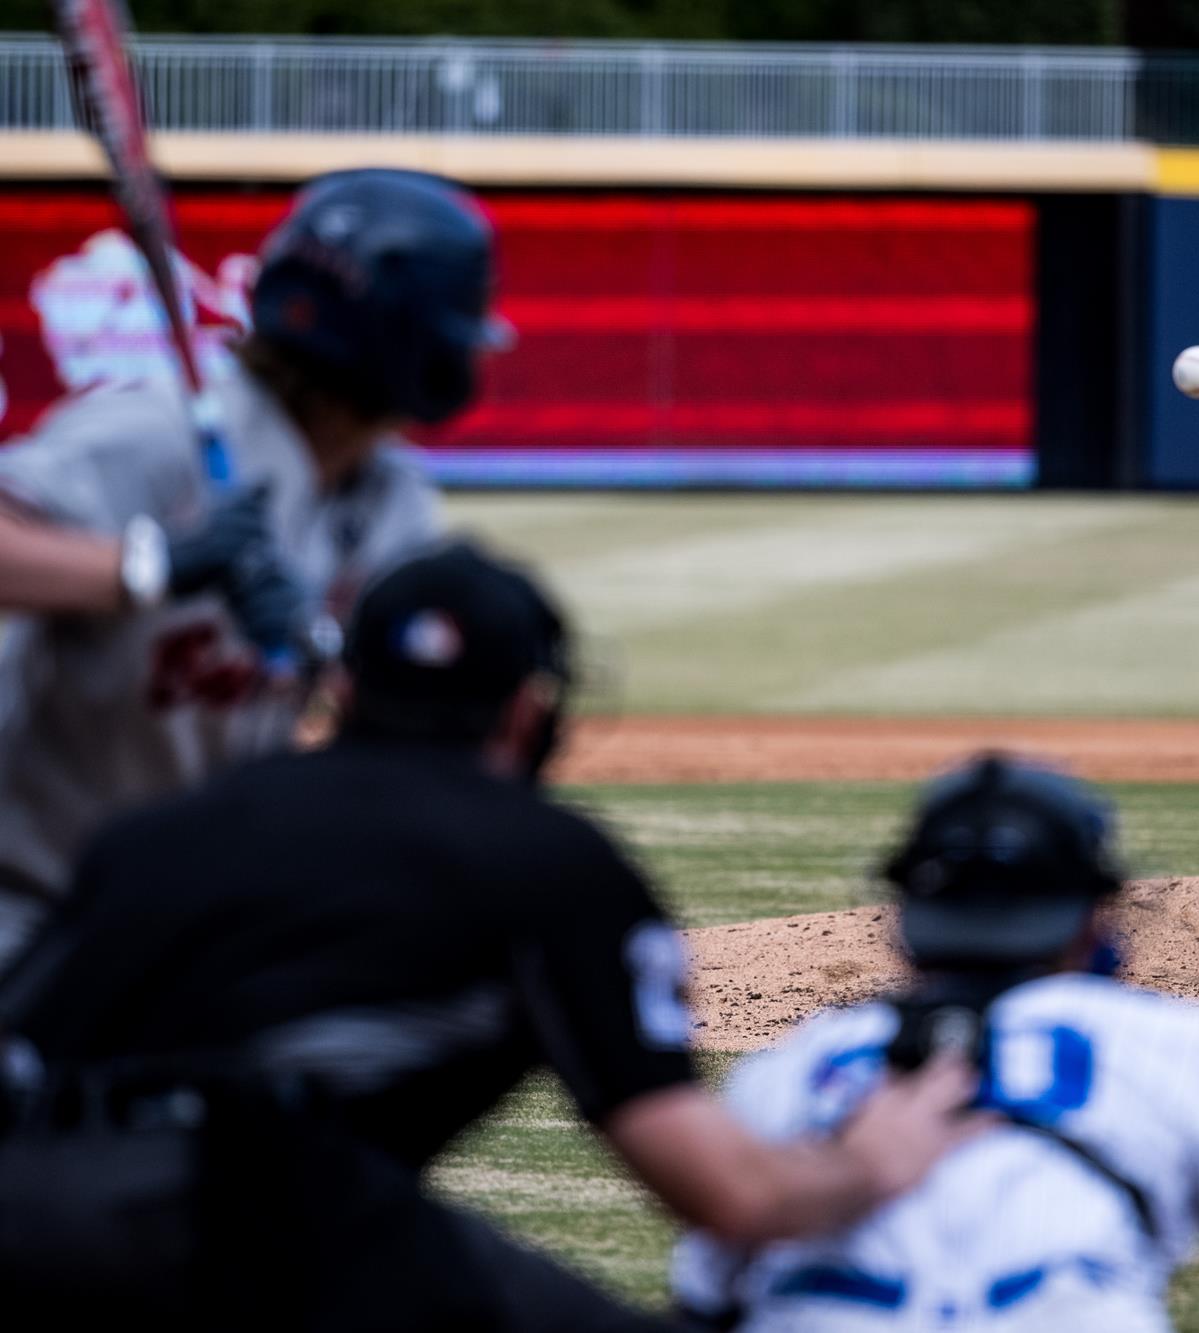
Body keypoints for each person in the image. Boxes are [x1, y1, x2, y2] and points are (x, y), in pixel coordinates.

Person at [0, 544, 982, 1330]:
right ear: (528, 708)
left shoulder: (155, 830)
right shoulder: (546, 858)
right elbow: (729, 1195)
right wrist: (873, 1160)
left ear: (342, 688)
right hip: (238, 1214)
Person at [670, 753, 1199, 1333]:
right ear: (1091, 920)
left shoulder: (788, 1068)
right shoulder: (1176, 1045)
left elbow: (703, 1299)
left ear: (903, 921)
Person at [0, 167, 507, 970]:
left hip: (175, 919)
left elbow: (386, 720)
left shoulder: (390, 503)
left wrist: (325, 650)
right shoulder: (156, 433)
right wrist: (148, 564)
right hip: (24, 901)